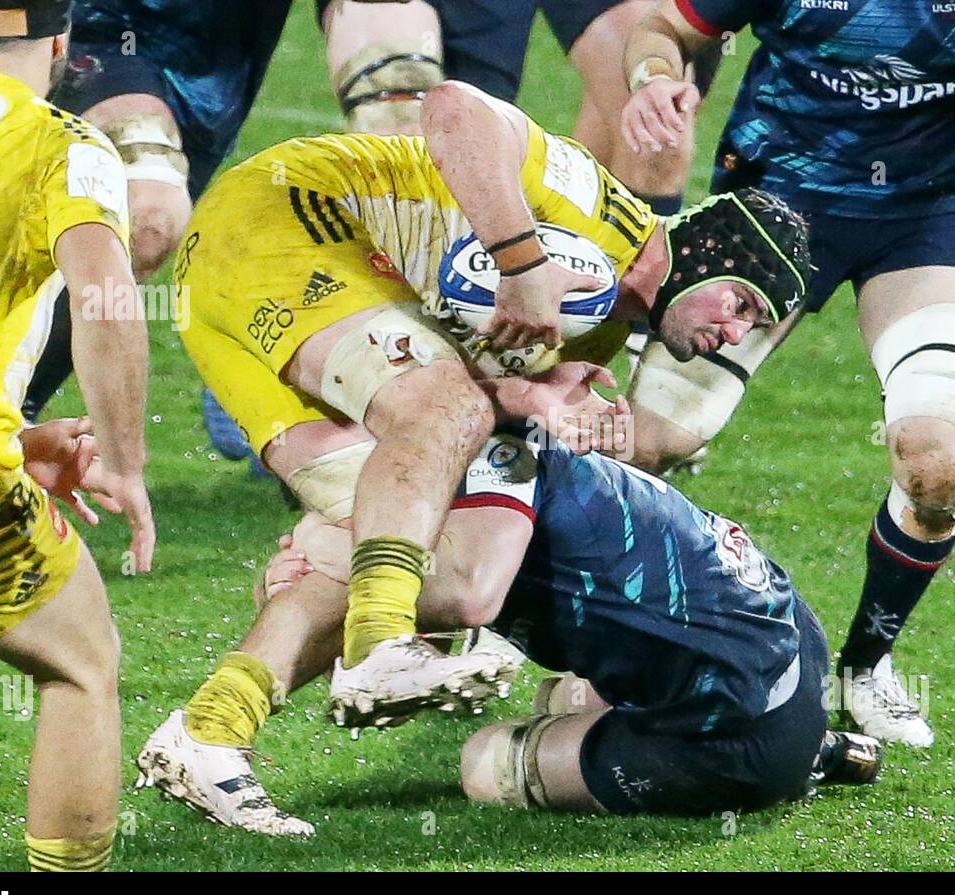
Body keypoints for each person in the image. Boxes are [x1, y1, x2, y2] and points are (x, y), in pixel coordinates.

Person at [169, 78, 811, 733]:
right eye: (741, 304)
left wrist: (549, 411)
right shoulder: (600, 211)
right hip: (285, 215)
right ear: (704, 255)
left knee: (434, 561)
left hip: (240, 289)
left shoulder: (606, 329)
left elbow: (459, 420)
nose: (733, 335)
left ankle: (215, 729)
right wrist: (523, 263)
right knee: (439, 426)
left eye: (752, 326)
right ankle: (382, 644)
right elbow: (452, 108)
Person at [617, 0, 955, 746]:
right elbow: (664, 26)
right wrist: (653, 77)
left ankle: (866, 666)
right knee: (642, 443)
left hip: (931, 220)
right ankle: (587, 645)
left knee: (937, 463)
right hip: (772, 208)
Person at [139, 422, 883, 828]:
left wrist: (331, 569)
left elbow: (465, 596)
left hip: (743, 734)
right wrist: (322, 553)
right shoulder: (479, 430)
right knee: (560, 695)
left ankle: (810, 755)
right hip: (781, 629)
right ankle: (210, 733)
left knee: (487, 762)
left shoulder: (498, 458)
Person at [0, 0, 154, 870]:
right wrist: (125, 461)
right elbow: (104, 293)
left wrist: (18, 437)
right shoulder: (65, 144)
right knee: (82, 665)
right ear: (62, 43)